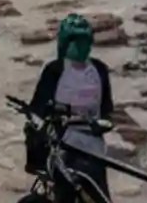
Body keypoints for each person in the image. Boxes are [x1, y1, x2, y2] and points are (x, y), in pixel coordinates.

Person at [28, 13, 115, 202]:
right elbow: (37, 110)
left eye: (85, 41)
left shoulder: (95, 69)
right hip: (72, 144)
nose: (82, 46)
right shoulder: (57, 70)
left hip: (85, 145)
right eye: (78, 42)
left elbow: (107, 107)